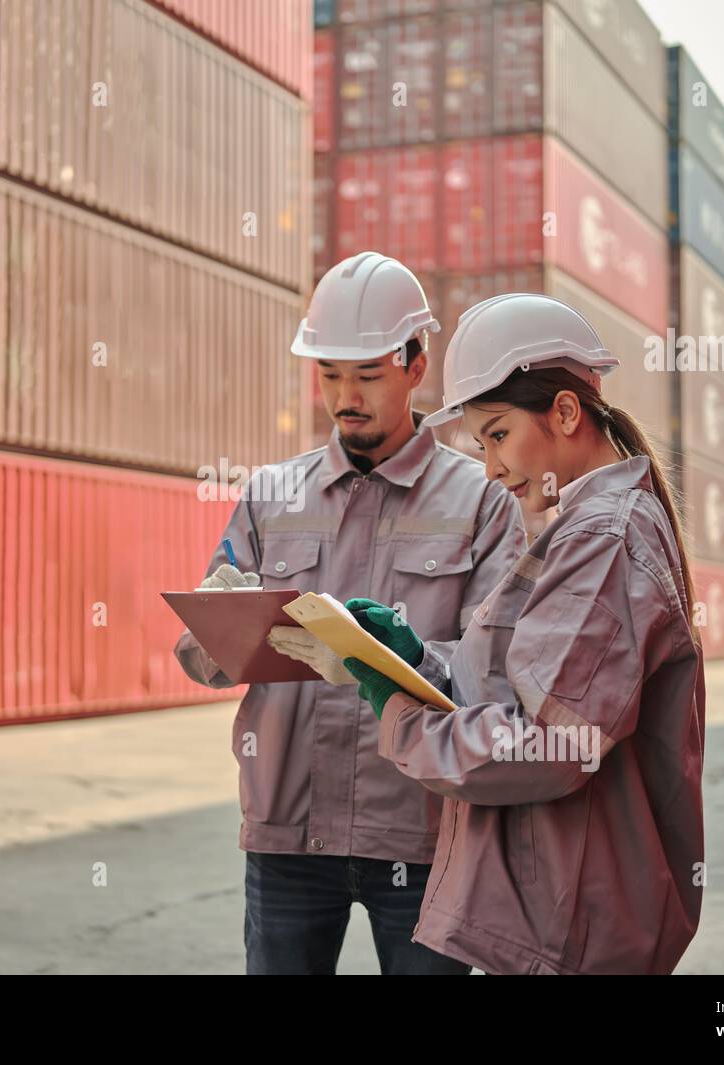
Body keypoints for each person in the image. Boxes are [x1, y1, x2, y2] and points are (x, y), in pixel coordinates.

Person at [174, 253, 527, 974]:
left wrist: (390, 659)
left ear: (415, 362)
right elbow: (201, 659)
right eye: (330, 373)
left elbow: (493, 676)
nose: (345, 395)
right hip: (287, 836)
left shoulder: (482, 502)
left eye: (367, 374)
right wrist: (222, 623)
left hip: (423, 836)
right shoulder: (271, 494)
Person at [342, 292, 706, 974]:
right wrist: (420, 662)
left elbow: (551, 746)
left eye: (499, 435)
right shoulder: (585, 526)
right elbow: (532, 688)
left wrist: (401, 717)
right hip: (569, 919)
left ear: (565, 412)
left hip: (580, 929)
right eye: (480, 445)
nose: (490, 468)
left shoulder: (605, 536)